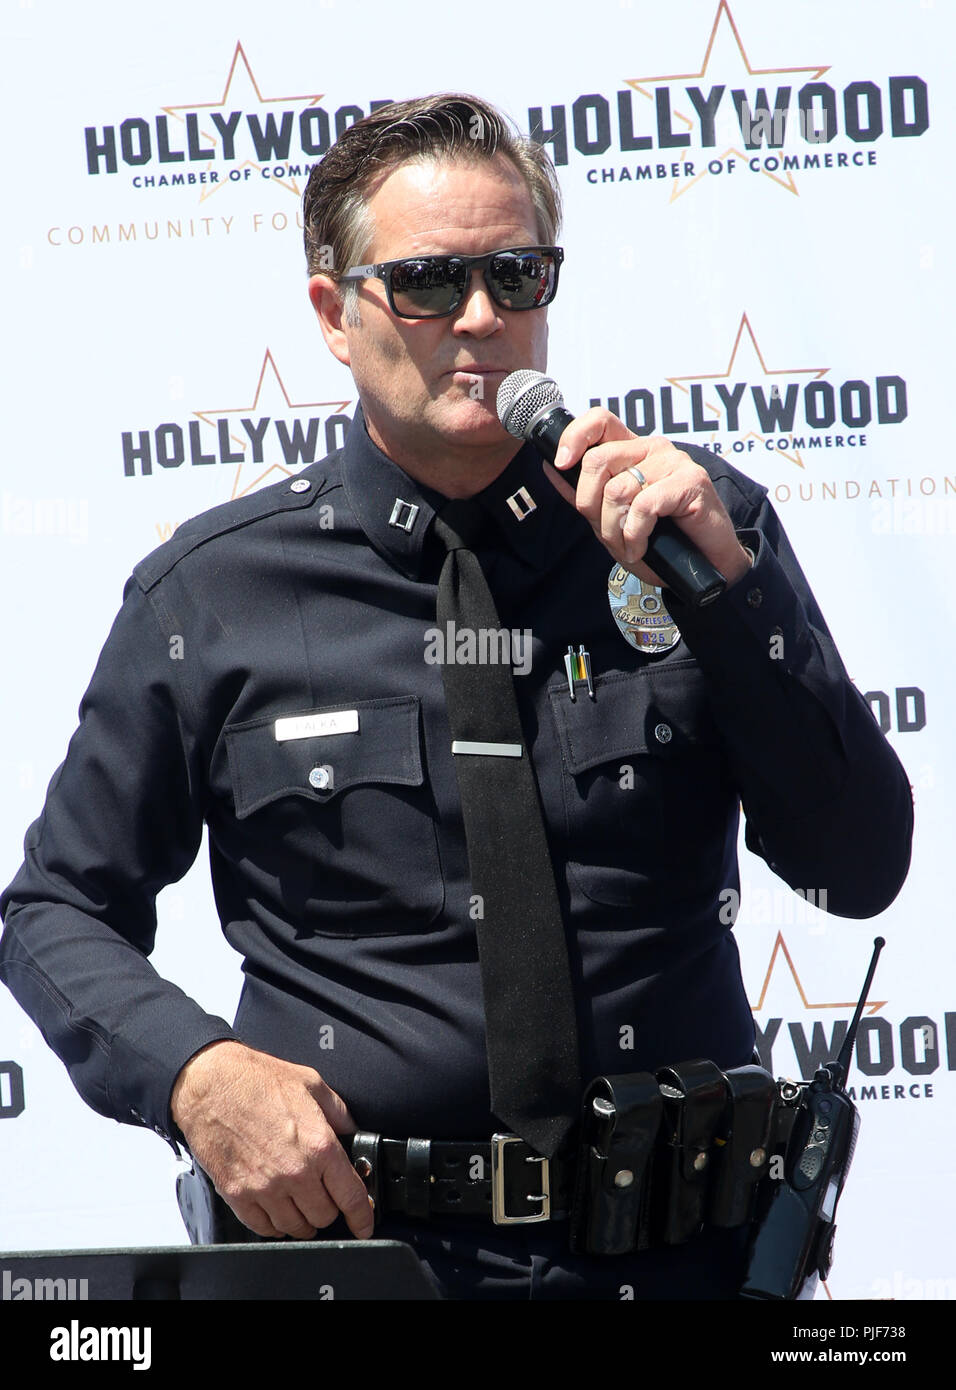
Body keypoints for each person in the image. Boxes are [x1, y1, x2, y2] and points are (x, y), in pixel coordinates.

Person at [0, 93, 912, 1299]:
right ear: (334, 314)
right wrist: (195, 1076)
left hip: (680, 1259)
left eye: (515, 274)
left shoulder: (696, 531)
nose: (480, 318)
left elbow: (856, 864)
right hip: (359, 1265)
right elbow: (55, 906)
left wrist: (731, 595)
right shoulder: (212, 593)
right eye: (429, 282)